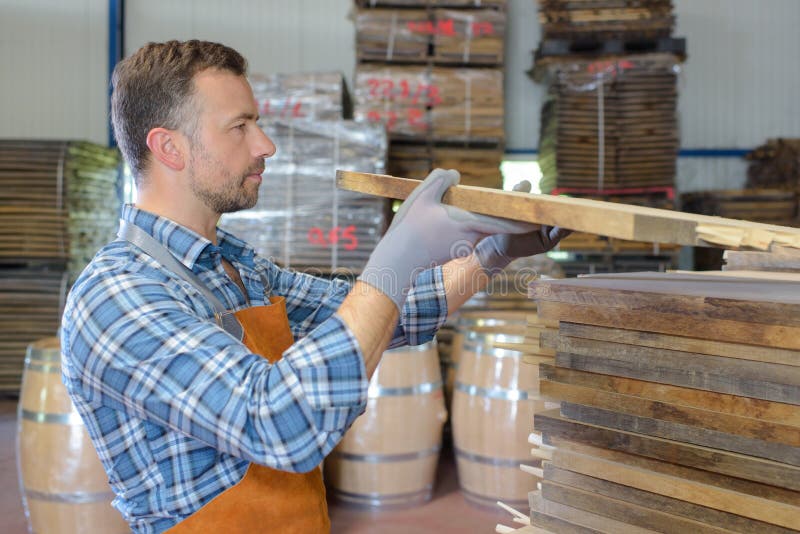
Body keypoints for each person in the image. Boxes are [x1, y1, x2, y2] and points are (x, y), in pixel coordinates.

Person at [60, 40, 568, 533]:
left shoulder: (238, 267)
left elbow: (392, 312)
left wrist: (488, 253)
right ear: (169, 147)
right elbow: (279, 423)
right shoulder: (119, 296)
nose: (266, 145)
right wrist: (399, 251)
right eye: (240, 127)